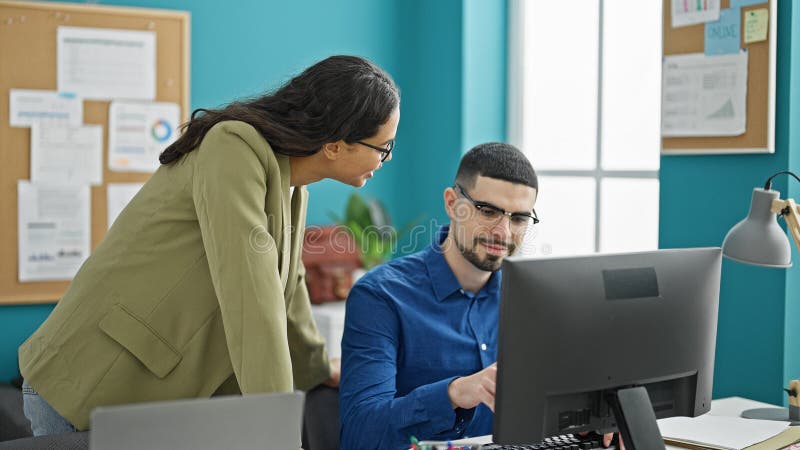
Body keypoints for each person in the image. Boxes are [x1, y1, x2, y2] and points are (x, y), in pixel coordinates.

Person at [18, 55, 400, 436]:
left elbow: (288, 291)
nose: (386, 159)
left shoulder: (294, 189)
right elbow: (250, 291)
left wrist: (316, 368)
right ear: (335, 143)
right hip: (91, 375)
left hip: (151, 395)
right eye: (383, 147)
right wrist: (276, 431)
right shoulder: (234, 147)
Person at [340, 143, 624, 450]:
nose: (503, 231)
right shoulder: (380, 296)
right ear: (452, 203)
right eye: (488, 211)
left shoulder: (538, 300)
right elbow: (361, 434)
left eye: (518, 218)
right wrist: (454, 393)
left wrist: (599, 419)